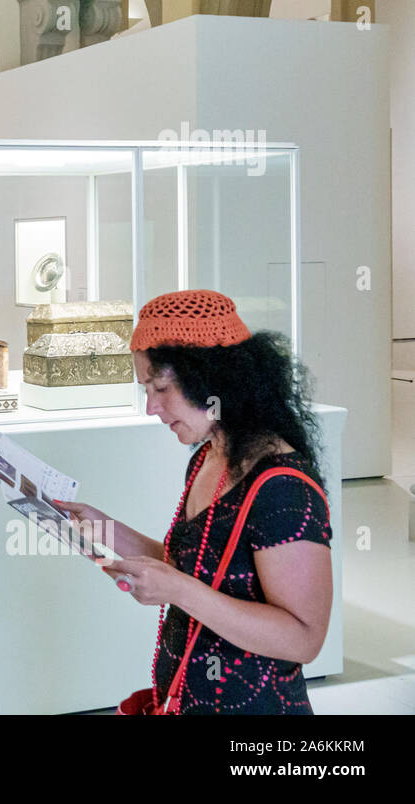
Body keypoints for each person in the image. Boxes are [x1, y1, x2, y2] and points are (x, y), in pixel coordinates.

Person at [57, 289, 332, 714]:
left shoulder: (282, 487)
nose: (151, 407)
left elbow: (304, 639)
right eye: (146, 388)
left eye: (161, 387)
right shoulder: (209, 455)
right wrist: (106, 528)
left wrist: (179, 591)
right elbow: (197, 565)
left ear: (213, 380)